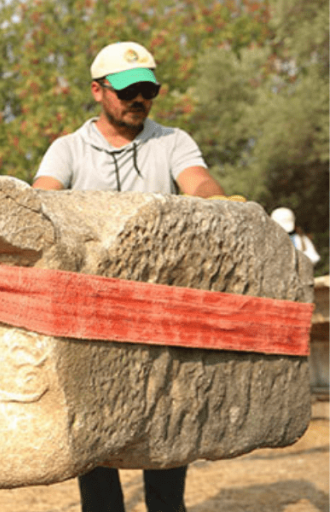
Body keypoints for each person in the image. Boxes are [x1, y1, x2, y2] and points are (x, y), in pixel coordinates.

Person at [33, 42, 226, 512]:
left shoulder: (172, 141)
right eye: (127, 91)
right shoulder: (68, 148)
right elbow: (42, 195)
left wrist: (223, 205)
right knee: (94, 419)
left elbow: (197, 181)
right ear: (98, 91)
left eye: (147, 90)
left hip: (159, 303)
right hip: (92, 308)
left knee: (167, 410)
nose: (138, 99)